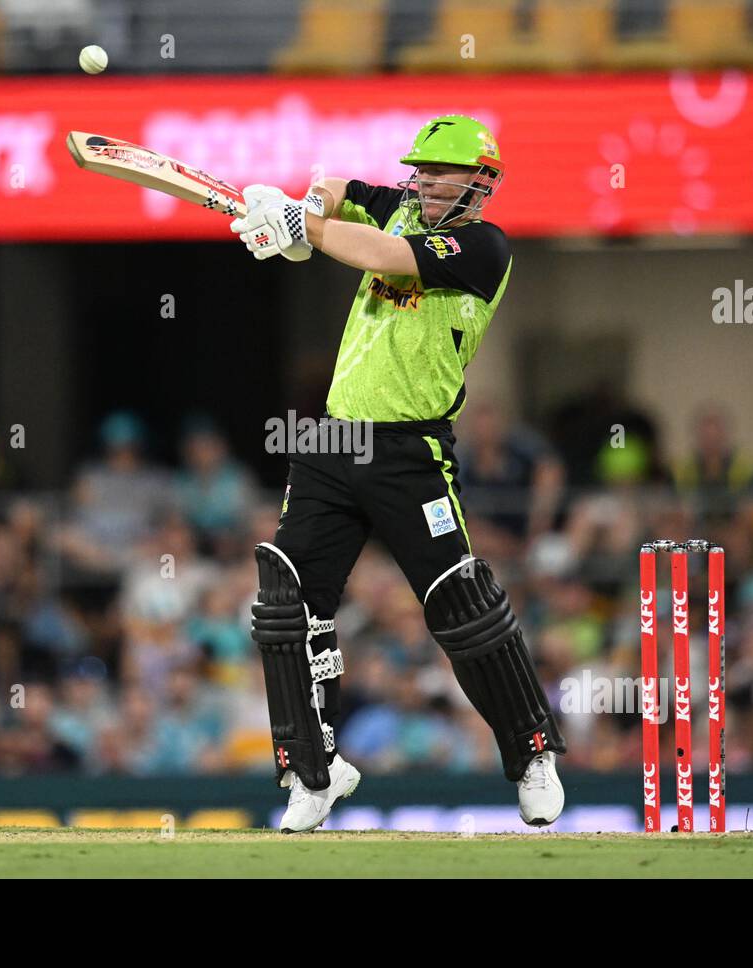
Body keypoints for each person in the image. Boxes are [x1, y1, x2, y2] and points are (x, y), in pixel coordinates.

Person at [228, 116, 567, 833]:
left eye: (442, 172)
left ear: (481, 181)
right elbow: (336, 185)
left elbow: (383, 254)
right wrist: (306, 215)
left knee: (459, 606)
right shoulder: (404, 204)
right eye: (423, 170)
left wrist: (301, 227)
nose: (427, 182)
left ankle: (533, 751)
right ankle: (313, 774)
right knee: (288, 599)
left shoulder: (482, 247)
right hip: (332, 440)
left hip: (411, 453)